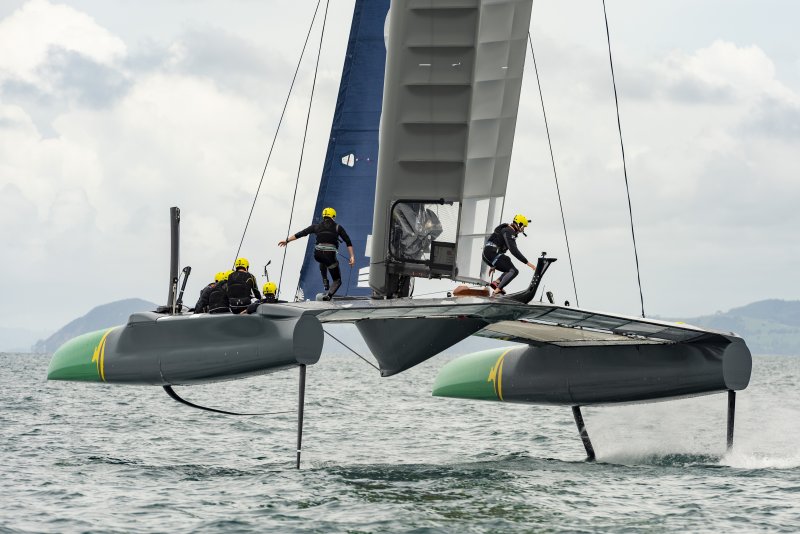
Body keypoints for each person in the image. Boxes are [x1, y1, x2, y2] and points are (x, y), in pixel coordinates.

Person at [278, 207, 355, 300]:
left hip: (317, 254)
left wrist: (287, 240)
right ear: (333, 216)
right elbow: (348, 241)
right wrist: (352, 256)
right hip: (330, 256)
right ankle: (328, 295)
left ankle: (325, 280)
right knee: (337, 280)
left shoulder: (316, 226)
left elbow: (301, 233)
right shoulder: (338, 227)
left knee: (323, 260)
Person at [482, 214, 536, 297]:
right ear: (519, 224)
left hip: (488, 254)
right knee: (514, 271)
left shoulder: (505, 229)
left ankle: (497, 282)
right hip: (491, 254)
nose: (523, 230)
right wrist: (528, 263)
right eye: (523, 227)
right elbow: (513, 250)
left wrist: (493, 265)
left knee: (507, 261)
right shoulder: (509, 231)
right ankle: (496, 292)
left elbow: (498, 245)